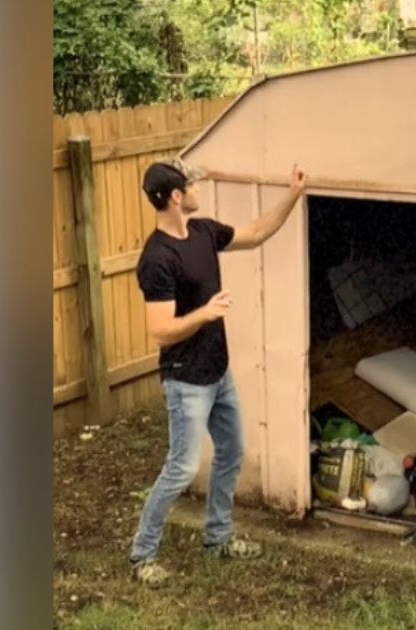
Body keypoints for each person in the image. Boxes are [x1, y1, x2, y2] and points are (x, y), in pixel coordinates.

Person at [128, 158, 307, 587]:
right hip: (185, 380)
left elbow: (257, 232)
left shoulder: (204, 232)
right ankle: (142, 554)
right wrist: (205, 313)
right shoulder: (157, 258)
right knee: (182, 469)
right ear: (175, 196)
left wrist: (293, 195)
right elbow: (159, 332)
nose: (196, 189)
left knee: (232, 452)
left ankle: (218, 539)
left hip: (217, 373)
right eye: (189, 185)